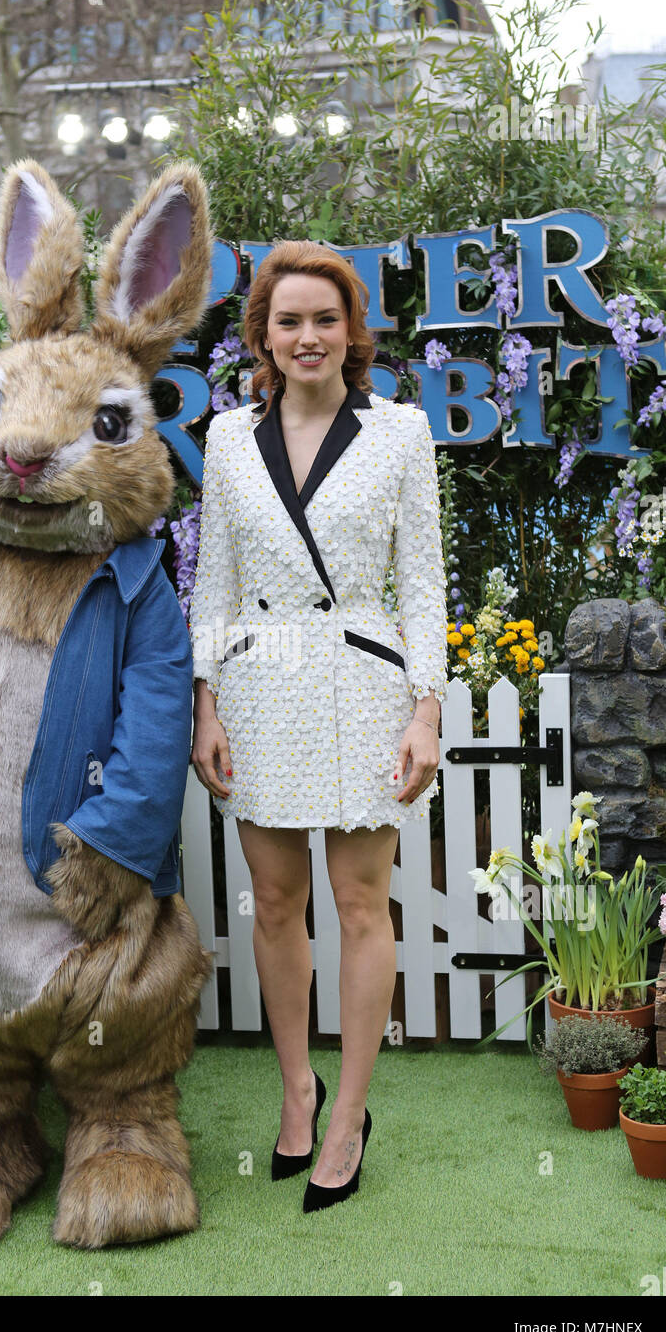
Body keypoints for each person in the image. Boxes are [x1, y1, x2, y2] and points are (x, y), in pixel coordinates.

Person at [189, 240, 448, 1212]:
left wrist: (426, 707)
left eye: (324, 318)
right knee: (273, 895)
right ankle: (295, 1087)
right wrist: (205, 697)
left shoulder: (399, 432)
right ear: (261, 333)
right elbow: (211, 577)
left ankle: (349, 1114)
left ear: (351, 332)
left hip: (362, 680)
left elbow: (421, 583)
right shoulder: (223, 440)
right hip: (258, 687)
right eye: (287, 320)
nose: (306, 336)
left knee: (356, 902)